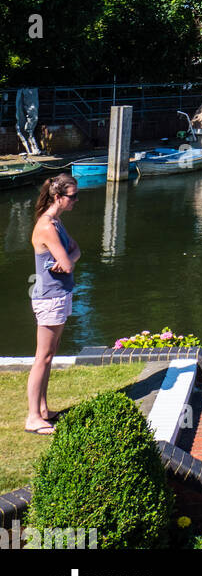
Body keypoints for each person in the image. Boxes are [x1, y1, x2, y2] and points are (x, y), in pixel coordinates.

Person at [26, 174, 81, 434]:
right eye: (72, 196)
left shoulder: (56, 222)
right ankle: (33, 417)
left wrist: (69, 257)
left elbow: (76, 250)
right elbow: (70, 262)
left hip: (60, 294)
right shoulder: (47, 226)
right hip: (49, 297)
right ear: (58, 197)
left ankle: (44, 410)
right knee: (42, 357)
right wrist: (69, 258)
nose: (76, 200)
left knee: (49, 356)